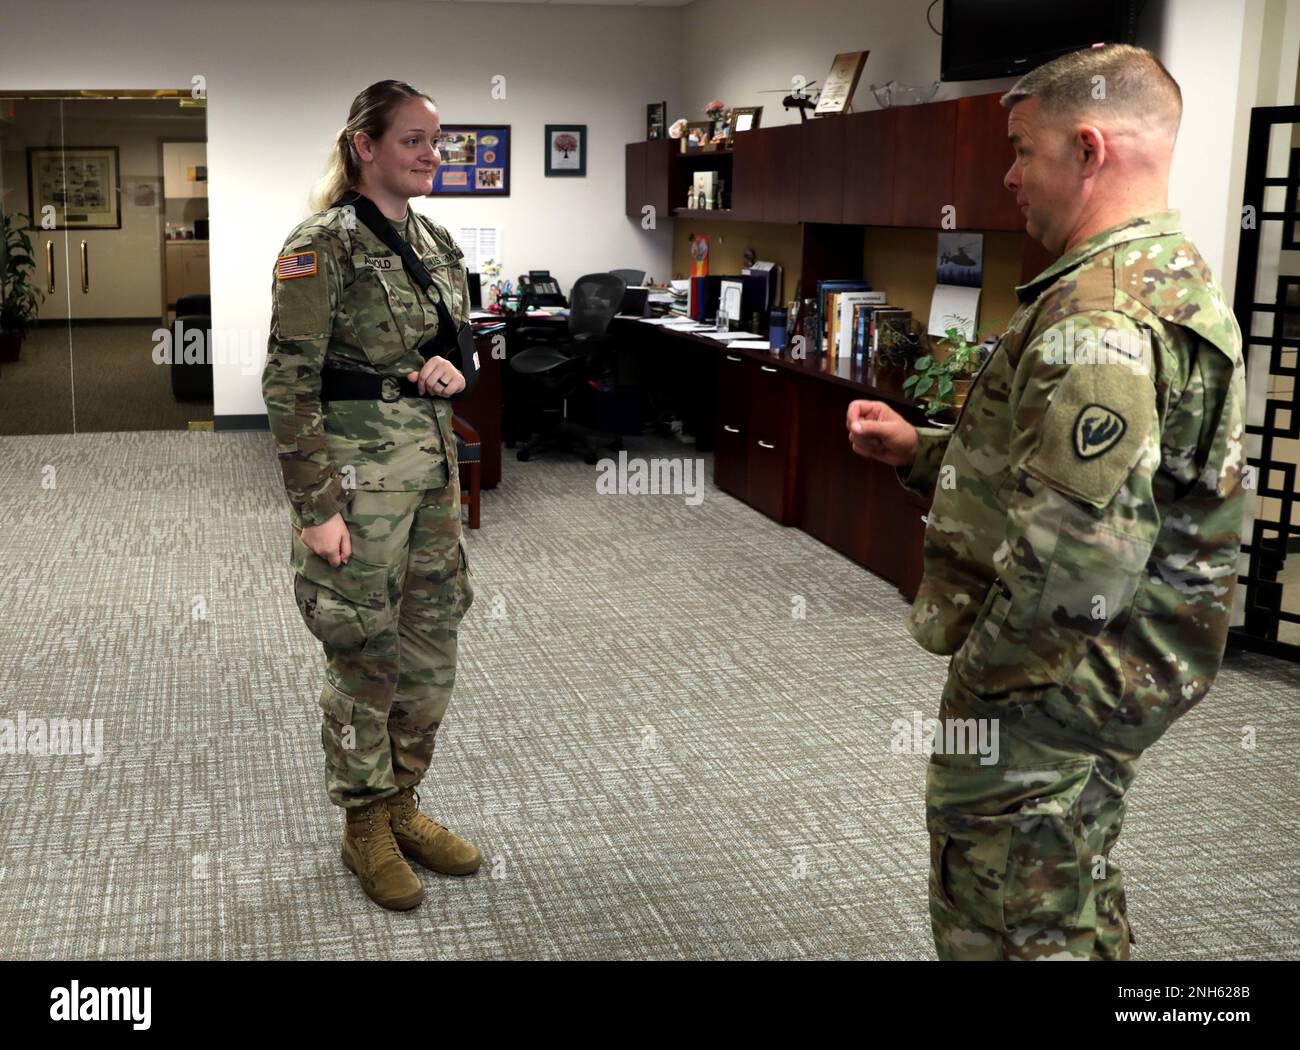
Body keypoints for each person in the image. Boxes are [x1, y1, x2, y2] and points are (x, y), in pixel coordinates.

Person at [847, 44, 1246, 960]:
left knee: (1010, 912)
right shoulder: (1166, 272)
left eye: (1025, 149)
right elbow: (1098, 478)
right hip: (1119, 670)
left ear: (1090, 149)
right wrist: (924, 453)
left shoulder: (1100, 315)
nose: (1010, 174)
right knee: (1069, 877)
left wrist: (980, 688)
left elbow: (1079, 558)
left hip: (1054, 686)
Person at [262, 80, 481, 911]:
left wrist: (454, 370)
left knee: (429, 655)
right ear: (366, 145)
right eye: (414, 140)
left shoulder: (433, 241)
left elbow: (465, 346)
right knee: (364, 654)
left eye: (438, 141)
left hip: (429, 478)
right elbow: (288, 383)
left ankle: (400, 803)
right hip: (355, 486)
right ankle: (362, 824)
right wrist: (314, 508)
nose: (431, 154)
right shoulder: (322, 245)